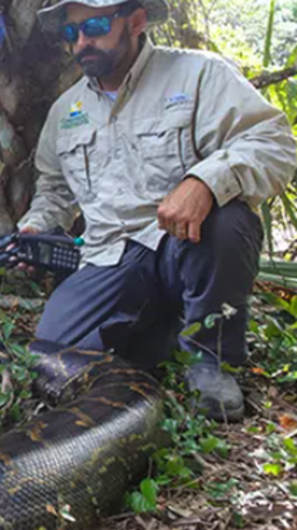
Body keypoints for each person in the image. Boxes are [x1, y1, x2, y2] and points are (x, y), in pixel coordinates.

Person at [20, 0, 297, 421]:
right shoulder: (65, 112)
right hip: (108, 257)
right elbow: (54, 189)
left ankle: (212, 363)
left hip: (184, 242)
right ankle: (159, 336)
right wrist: (36, 226)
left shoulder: (199, 73)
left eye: (93, 25)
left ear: (135, 21)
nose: (81, 41)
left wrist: (205, 182)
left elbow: (273, 142)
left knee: (228, 220)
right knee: (50, 357)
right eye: (70, 32)